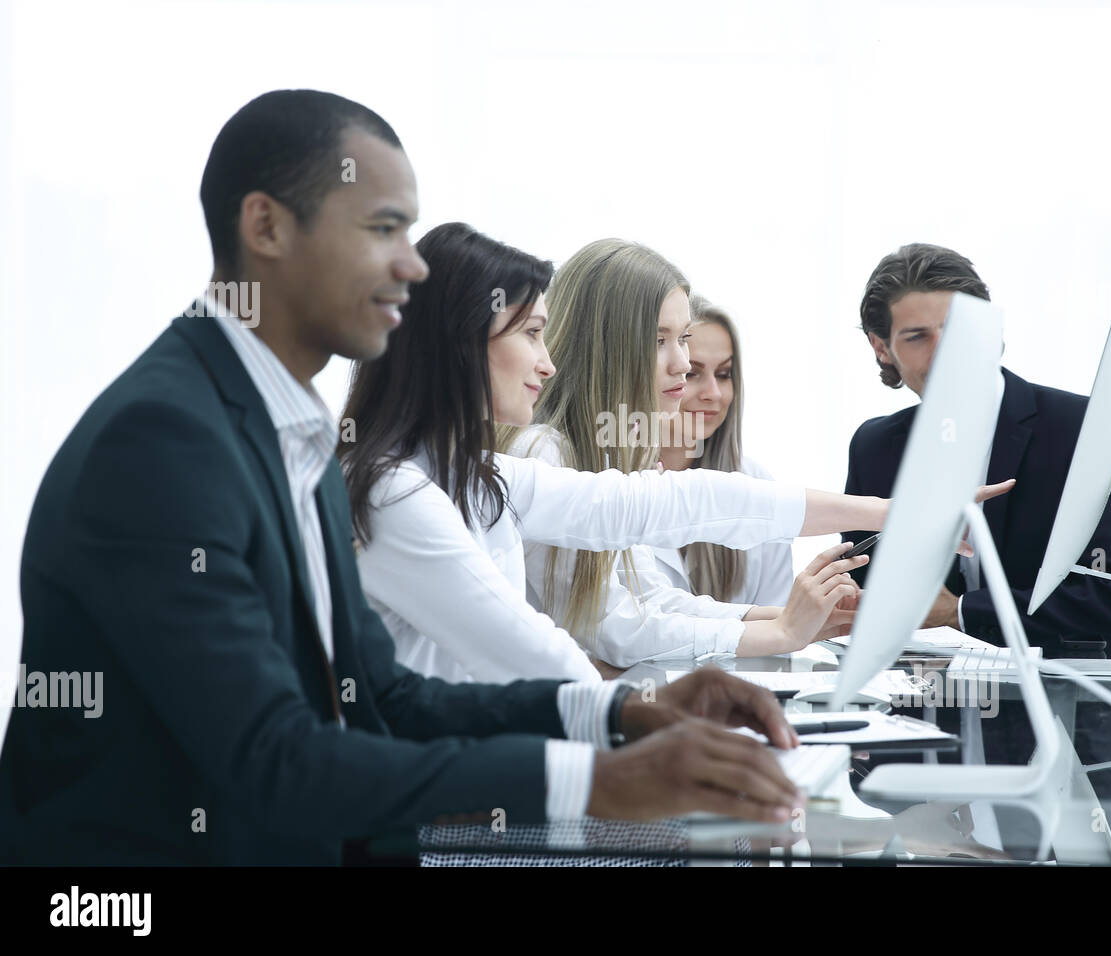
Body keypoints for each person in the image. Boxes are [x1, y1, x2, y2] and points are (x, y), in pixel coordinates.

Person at [0, 90, 808, 866]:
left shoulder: (294, 428)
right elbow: (272, 758)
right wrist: (595, 780)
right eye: (384, 229)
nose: (412, 267)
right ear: (266, 227)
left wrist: (621, 714)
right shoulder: (166, 440)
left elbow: (382, 692)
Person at [341, 223, 884, 686]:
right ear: (459, 345)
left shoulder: (487, 475)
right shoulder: (402, 491)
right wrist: (777, 633)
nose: (546, 363)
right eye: (531, 334)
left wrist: (880, 515)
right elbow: (535, 647)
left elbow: (667, 505)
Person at [509, 239, 1013, 667]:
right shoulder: (543, 452)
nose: (682, 365)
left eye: (682, 338)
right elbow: (617, 626)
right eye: (661, 340)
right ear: (606, 345)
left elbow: (658, 598)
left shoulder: (614, 456)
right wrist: (781, 631)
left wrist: (798, 620)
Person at [843, 242, 1111, 652]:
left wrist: (958, 612)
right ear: (882, 348)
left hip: (1061, 693)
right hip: (920, 692)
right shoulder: (875, 447)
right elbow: (865, 594)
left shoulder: (1078, 429)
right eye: (918, 337)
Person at [655, 294, 794, 606]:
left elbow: (780, 626)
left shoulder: (757, 483)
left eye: (723, 374)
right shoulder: (604, 480)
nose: (713, 394)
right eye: (692, 374)